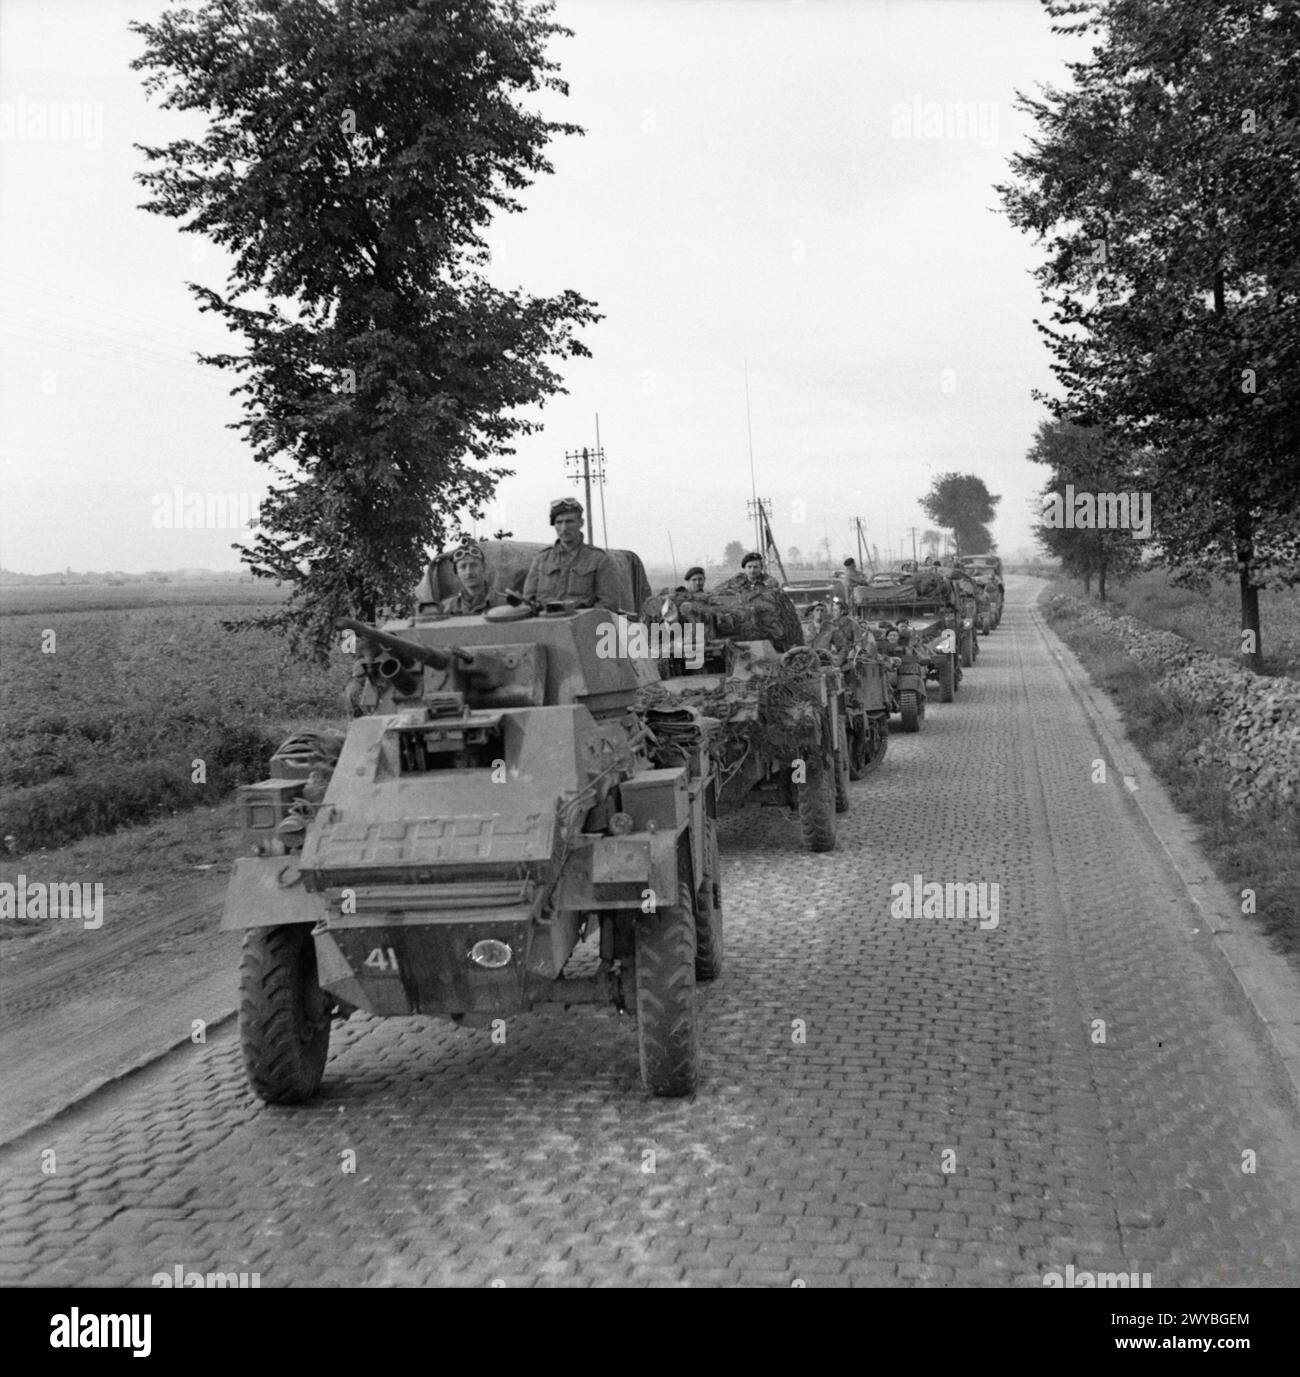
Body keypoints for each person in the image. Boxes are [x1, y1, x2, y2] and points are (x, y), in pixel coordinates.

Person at [522, 498, 620, 610]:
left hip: (584, 620)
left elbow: (608, 603)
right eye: (559, 522)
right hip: (544, 620)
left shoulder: (600, 560)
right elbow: (528, 601)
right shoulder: (541, 559)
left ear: (581, 523)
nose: (564, 528)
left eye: (569, 522)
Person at [710, 551, 805, 652]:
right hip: (744, 634)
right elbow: (715, 593)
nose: (752, 570)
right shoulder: (736, 582)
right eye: (749, 567)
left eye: (756, 567)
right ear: (744, 568)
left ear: (761, 568)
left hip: (768, 635)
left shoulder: (770, 585)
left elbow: (787, 611)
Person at [439, 541, 506, 616]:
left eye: (474, 565)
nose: (469, 572)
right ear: (456, 572)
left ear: (484, 567)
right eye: (463, 567)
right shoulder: (446, 608)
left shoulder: (505, 603)